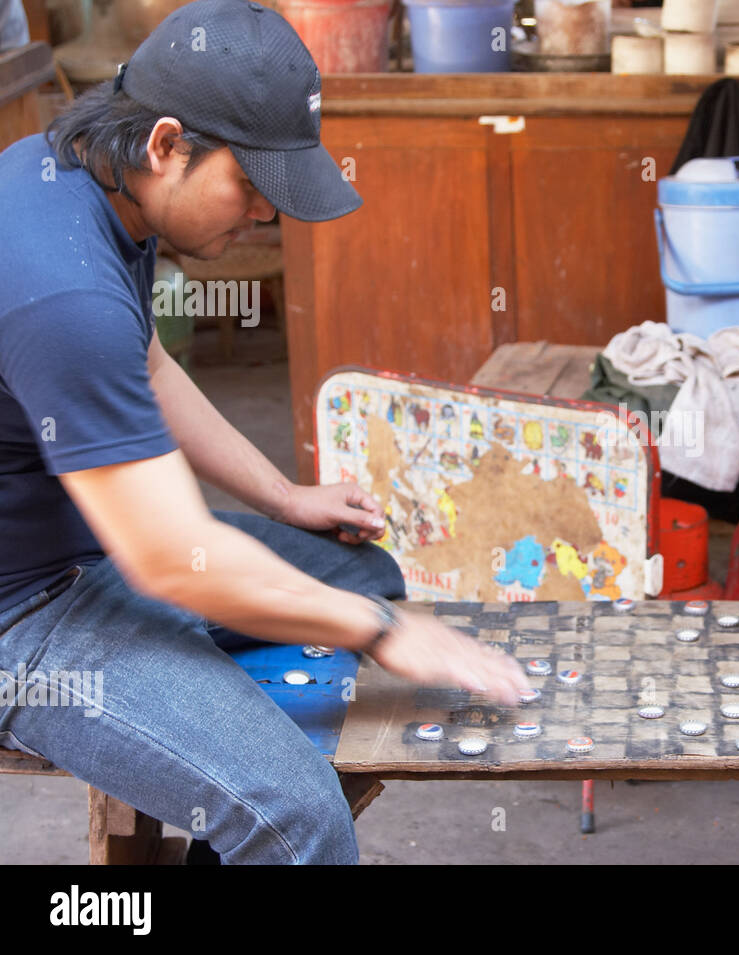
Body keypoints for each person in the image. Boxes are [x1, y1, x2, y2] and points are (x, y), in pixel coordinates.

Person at [0, 0, 527, 864]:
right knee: (300, 819)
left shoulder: (93, 180)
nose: (263, 216)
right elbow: (170, 557)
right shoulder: (65, 296)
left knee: (367, 570)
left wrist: (288, 499)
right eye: (249, 185)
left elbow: (150, 367)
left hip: (90, 545)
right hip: (23, 616)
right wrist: (381, 633)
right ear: (166, 144)